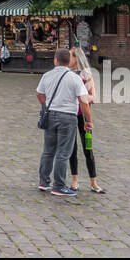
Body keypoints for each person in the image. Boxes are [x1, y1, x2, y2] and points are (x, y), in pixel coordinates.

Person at [36, 48, 92, 196]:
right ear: (68, 62)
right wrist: (88, 121)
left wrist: (46, 106)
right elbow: (84, 101)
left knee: (48, 150)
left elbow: (40, 94)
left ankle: (43, 182)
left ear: (55, 60)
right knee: (63, 152)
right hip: (68, 117)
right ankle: (59, 185)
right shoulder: (74, 78)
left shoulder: (47, 75)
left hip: (50, 115)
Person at [68, 47, 103, 194]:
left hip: (83, 116)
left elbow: (93, 97)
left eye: (70, 56)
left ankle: (93, 182)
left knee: (88, 148)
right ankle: (74, 181)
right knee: (72, 149)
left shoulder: (86, 75)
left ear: (77, 58)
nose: (67, 58)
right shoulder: (67, 74)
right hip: (69, 115)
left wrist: (82, 96)